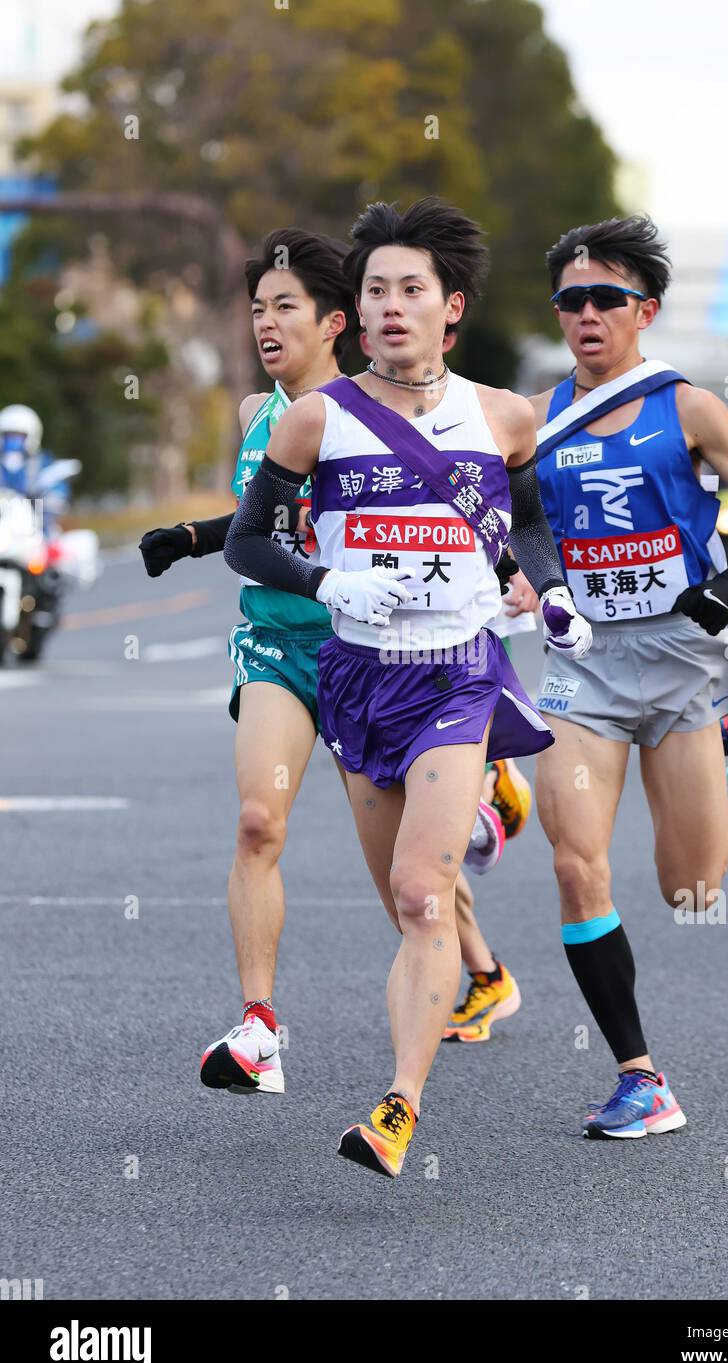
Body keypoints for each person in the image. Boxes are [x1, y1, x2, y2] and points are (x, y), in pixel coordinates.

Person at [224, 196, 592, 1177]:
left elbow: (536, 520)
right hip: (352, 678)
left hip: (455, 676)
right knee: (402, 903)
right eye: (375, 289)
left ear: (450, 308)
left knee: (424, 895)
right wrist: (325, 578)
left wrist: (547, 593)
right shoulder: (313, 420)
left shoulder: (504, 416)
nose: (389, 306)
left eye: (410, 290)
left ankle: (398, 1104)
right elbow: (246, 539)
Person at [138, 227, 522, 1098]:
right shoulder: (260, 416)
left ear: (333, 322)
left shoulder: (376, 414)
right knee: (256, 822)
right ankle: (259, 1026)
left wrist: (520, 577)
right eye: (256, 311)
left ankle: (484, 960)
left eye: (284, 309)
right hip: (280, 644)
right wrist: (193, 537)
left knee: (411, 882)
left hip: (382, 657)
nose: (265, 326)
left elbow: (474, 518)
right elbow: (263, 528)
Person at [523, 216, 728, 1138]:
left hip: (682, 659)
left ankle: (720, 731)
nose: (587, 314)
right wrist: (546, 585)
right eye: (571, 300)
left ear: (646, 310)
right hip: (586, 665)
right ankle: (640, 1076)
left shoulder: (689, 406)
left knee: (692, 889)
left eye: (607, 299)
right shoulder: (539, 417)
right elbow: (516, 525)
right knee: (574, 863)